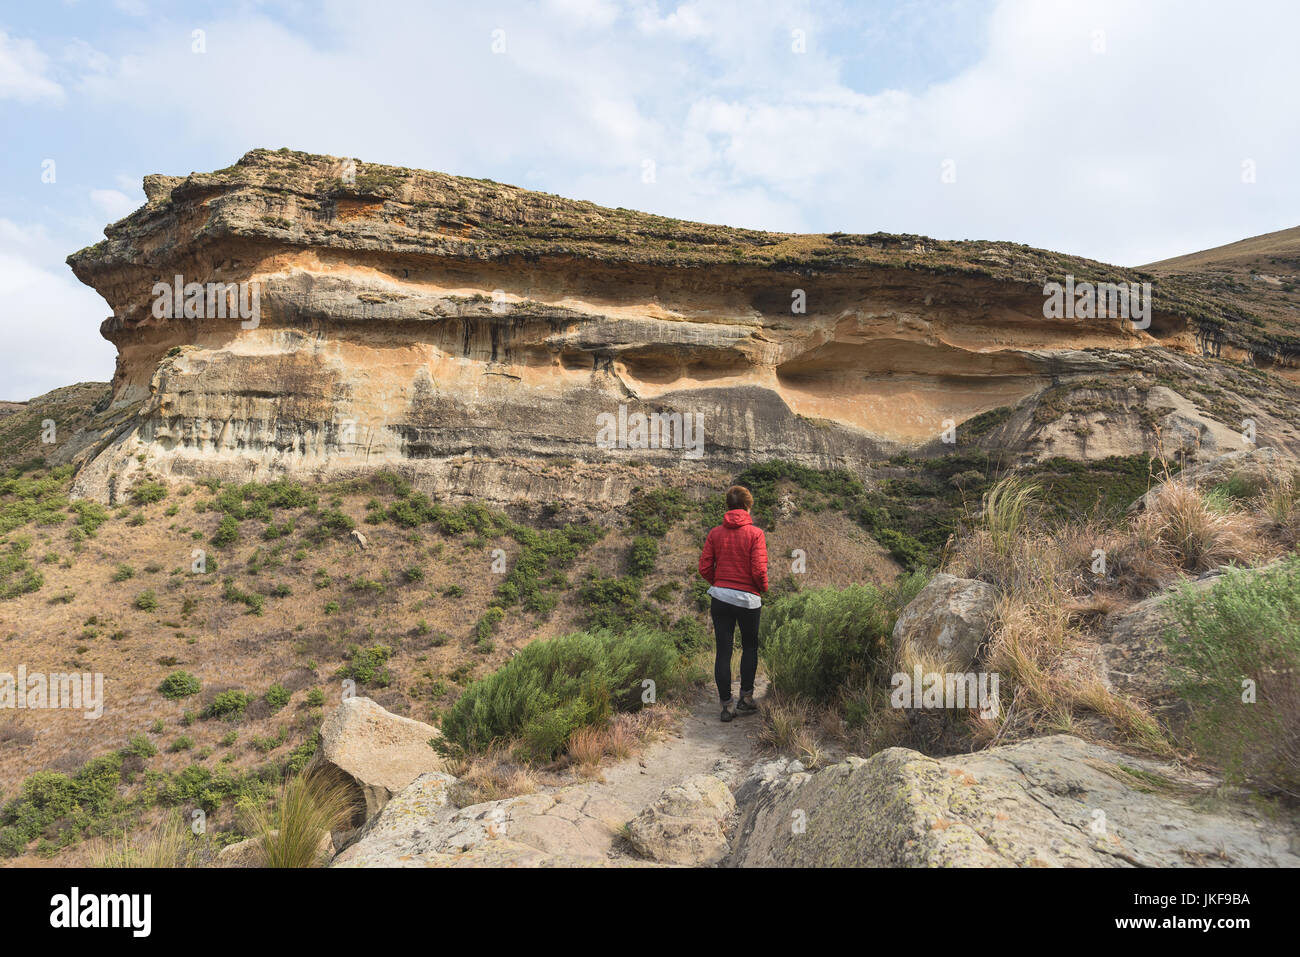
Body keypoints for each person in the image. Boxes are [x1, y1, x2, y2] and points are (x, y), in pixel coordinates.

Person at [697, 484, 768, 722]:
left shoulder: (715, 534)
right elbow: (759, 570)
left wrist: (719, 583)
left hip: (720, 598)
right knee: (749, 647)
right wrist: (762, 588)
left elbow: (704, 567)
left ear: (728, 506)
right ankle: (746, 700)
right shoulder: (756, 534)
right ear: (748, 506)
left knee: (723, 652)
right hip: (748, 599)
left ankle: (726, 706)